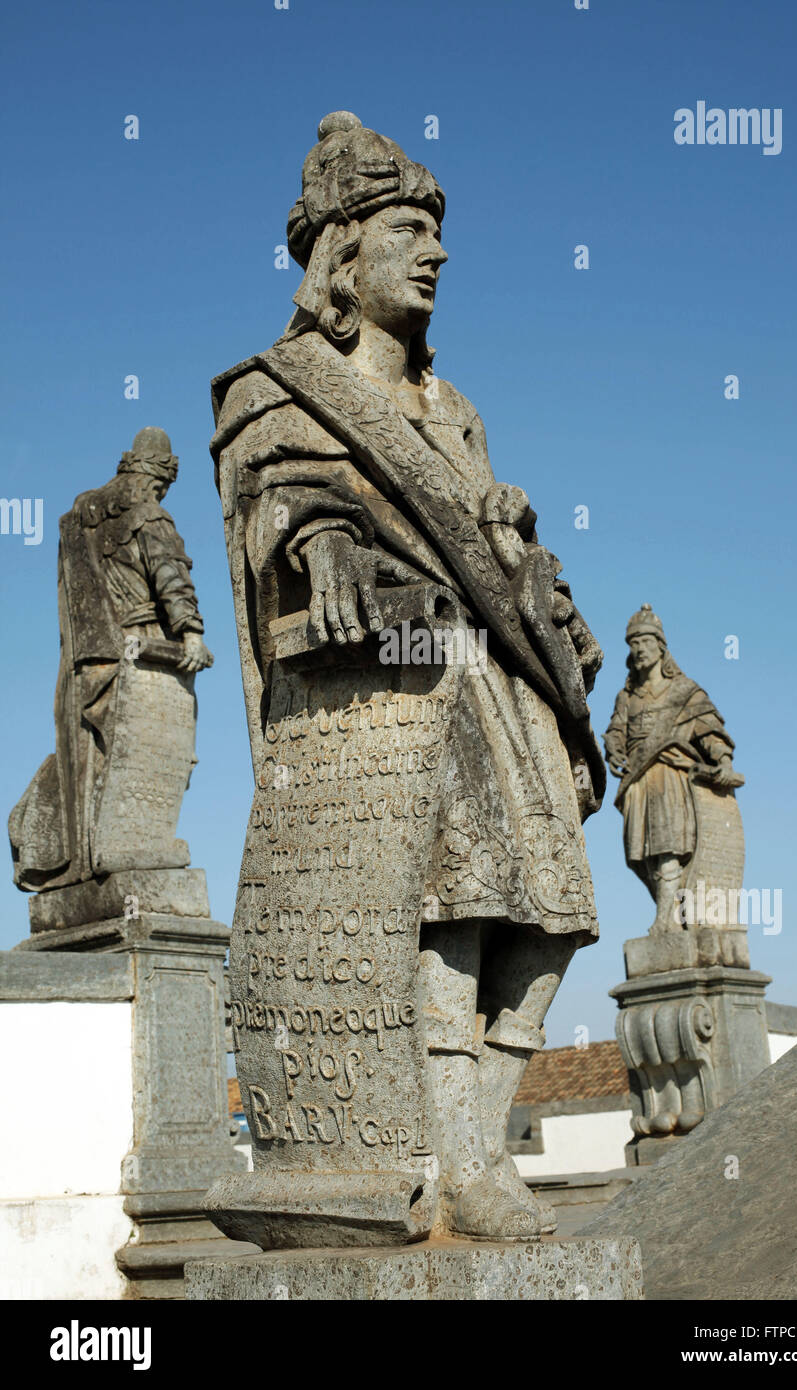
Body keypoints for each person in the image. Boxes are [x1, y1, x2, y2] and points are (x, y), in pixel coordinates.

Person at [211, 113, 605, 1239]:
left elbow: (494, 546)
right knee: (452, 906)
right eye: (408, 229)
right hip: (399, 686)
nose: (433, 253)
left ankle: (472, 1139)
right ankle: (463, 1166)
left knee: (548, 922)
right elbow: (274, 497)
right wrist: (319, 545)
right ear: (343, 251)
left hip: (503, 677)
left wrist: (534, 574)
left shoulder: (456, 408)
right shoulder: (276, 387)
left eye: (437, 232)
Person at [10, 428, 212, 892]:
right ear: (154, 478)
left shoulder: (79, 517)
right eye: (162, 488)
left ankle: (81, 863)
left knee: (89, 760)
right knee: (157, 752)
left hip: (85, 657)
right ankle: (128, 849)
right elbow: (169, 574)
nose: (161, 495)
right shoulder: (147, 514)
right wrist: (192, 633)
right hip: (141, 651)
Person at [604, 604, 739, 932]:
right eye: (633, 644)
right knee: (641, 857)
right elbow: (615, 731)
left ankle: (666, 918)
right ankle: (677, 911)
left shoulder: (683, 691)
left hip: (669, 776)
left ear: (661, 646)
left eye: (645, 642)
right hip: (637, 783)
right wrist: (613, 751)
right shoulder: (627, 696)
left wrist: (722, 760)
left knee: (668, 849)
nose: (638, 649)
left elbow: (707, 729)